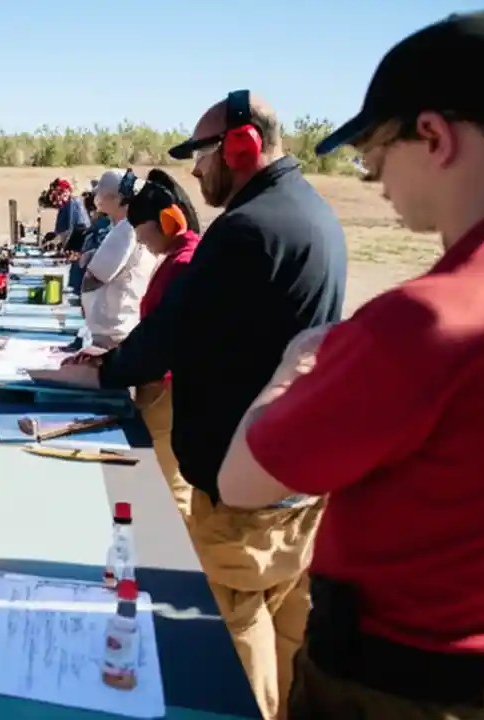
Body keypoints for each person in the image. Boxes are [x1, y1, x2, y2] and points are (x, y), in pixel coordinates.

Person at [217, 10, 484, 718]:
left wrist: (292, 370)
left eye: (374, 153)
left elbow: (243, 481)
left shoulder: (428, 322)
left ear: (433, 136)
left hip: (394, 690)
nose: (377, 181)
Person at [30, 90, 348, 719]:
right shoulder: (314, 214)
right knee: (286, 625)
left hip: (243, 486)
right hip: (300, 480)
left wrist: (106, 369)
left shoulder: (246, 229)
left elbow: (172, 332)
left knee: (234, 637)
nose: (196, 171)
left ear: (241, 146)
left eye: (202, 154)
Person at [123, 168, 202, 517]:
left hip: (166, 391)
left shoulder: (183, 265)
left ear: (169, 221)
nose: (142, 245)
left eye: (144, 236)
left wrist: (114, 365)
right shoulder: (176, 259)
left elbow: (164, 335)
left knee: (171, 488)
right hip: (160, 387)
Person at [78, 168, 155, 349]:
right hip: (118, 327)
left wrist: (87, 287)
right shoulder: (125, 227)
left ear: (116, 198)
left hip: (114, 331)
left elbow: (96, 276)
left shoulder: (126, 229)